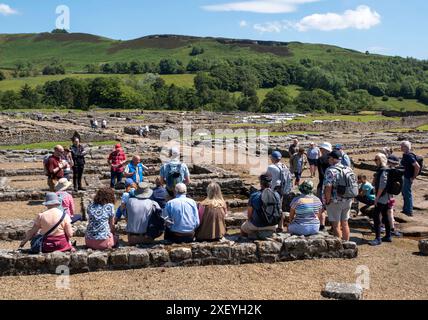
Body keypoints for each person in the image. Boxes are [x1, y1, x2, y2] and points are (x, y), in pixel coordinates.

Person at [322, 150, 353, 241]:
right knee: (345, 223)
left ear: (332, 159)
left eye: (329, 158)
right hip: (347, 199)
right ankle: (347, 243)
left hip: (335, 200)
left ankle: (339, 246)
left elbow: (328, 186)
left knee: (336, 225)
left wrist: (327, 200)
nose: (328, 159)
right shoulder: (348, 168)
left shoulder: (330, 170)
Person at [369, 153, 393, 246]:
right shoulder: (387, 169)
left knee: (376, 216)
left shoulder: (383, 171)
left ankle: (378, 238)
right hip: (388, 197)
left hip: (382, 197)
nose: (375, 162)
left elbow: (382, 186)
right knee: (385, 215)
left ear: (381, 160)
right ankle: (388, 235)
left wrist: (377, 198)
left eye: (376, 160)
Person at [400, 141, 420, 217]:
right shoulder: (406, 155)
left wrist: (413, 177)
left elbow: (417, 166)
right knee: (405, 193)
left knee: (407, 193)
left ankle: (408, 211)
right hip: (406, 176)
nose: (400, 148)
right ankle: (406, 209)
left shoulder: (409, 156)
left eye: (402, 146)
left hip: (408, 177)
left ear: (406, 147)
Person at [386, 155, 402, 237]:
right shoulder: (398, 172)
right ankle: (392, 227)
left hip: (386, 193)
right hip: (392, 194)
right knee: (390, 210)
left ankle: (382, 226)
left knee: (386, 210)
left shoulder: (387, 171)